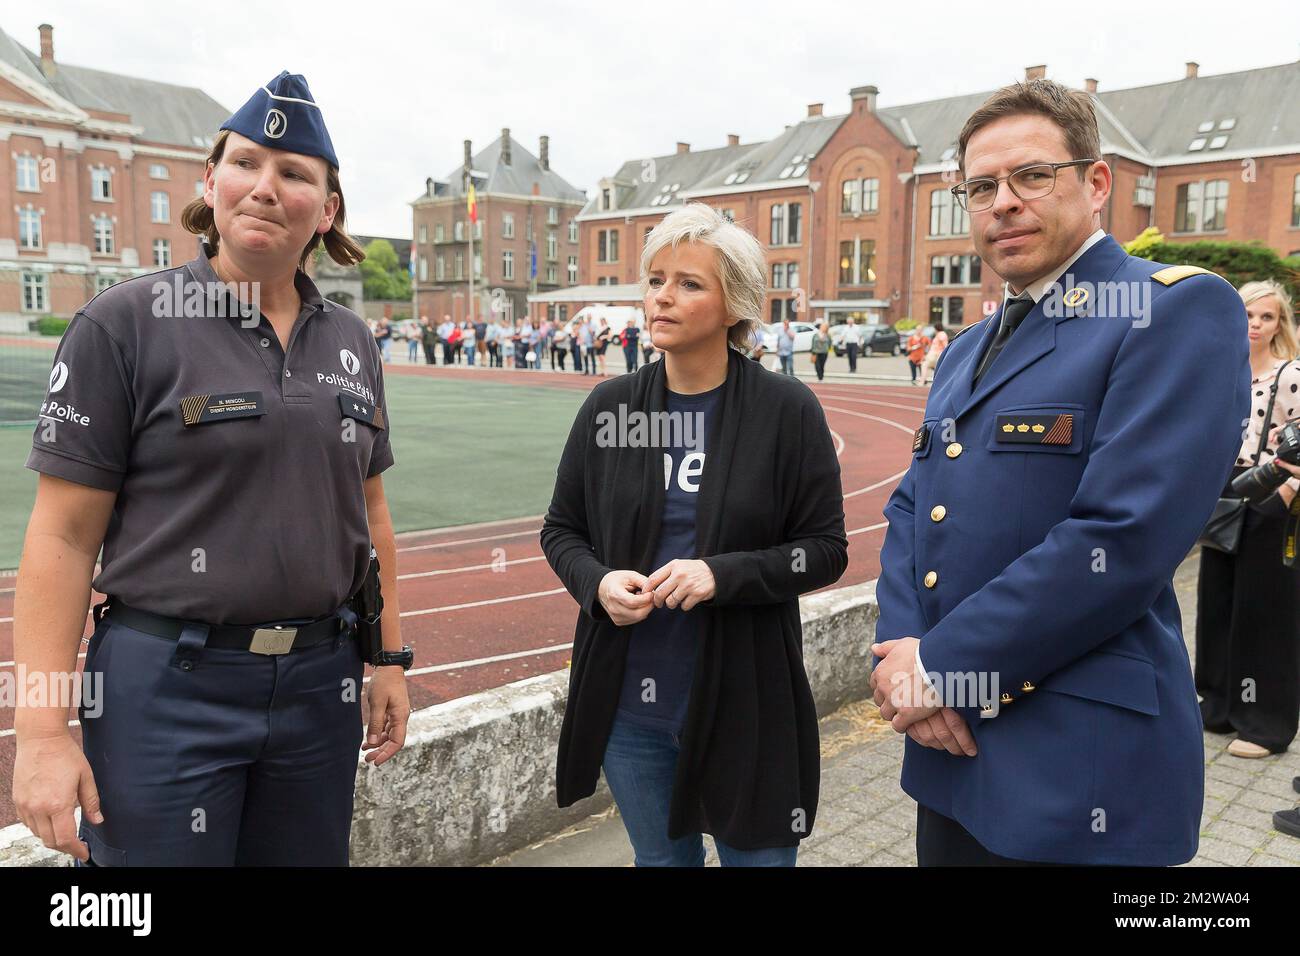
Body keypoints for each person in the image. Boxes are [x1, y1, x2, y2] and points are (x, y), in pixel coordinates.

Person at [11, 71, 411, 867]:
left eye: (295, 173)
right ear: (210, 181)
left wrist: (388, 660)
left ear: (326, 209)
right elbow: (60, 539)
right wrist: (41, 734)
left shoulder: (352, 343)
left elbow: (370, 515)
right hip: (164, 690)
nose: (265, 187)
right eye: (246, 163)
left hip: (318, 686)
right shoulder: (123, 325)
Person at [872, 78, 1249, 866]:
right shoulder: (970, 348)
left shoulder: (1170, 309)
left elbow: (1123, 538)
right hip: (948, 754)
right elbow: (913, 509)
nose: (1002, 202)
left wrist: (942, 669)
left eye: (1032, 176)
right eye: (981, 187)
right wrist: (903, 657)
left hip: (1078, 771)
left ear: (1097, 182)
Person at [541, 203, 847, 866]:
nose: (662, 297)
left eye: (688, 283)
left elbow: (825, 550)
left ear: (735, 304)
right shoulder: (611, 407)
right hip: (630, 708)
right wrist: (596, 583)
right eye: (655, 280)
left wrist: (722, 574)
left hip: (745, 703)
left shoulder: (786, 411)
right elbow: (561, 530)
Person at [1195, 279, 1300, 759]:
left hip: (1270, 497)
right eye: (1249, 315)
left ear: (1280, 324)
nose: (1256, 325)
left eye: (1267, 317)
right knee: (1216, 604)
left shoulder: (1292, 374)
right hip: (1222, 493)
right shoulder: (1223, 370)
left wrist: (1285, 492)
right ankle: (1217, 706)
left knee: (1263, 614)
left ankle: (1263, 724)